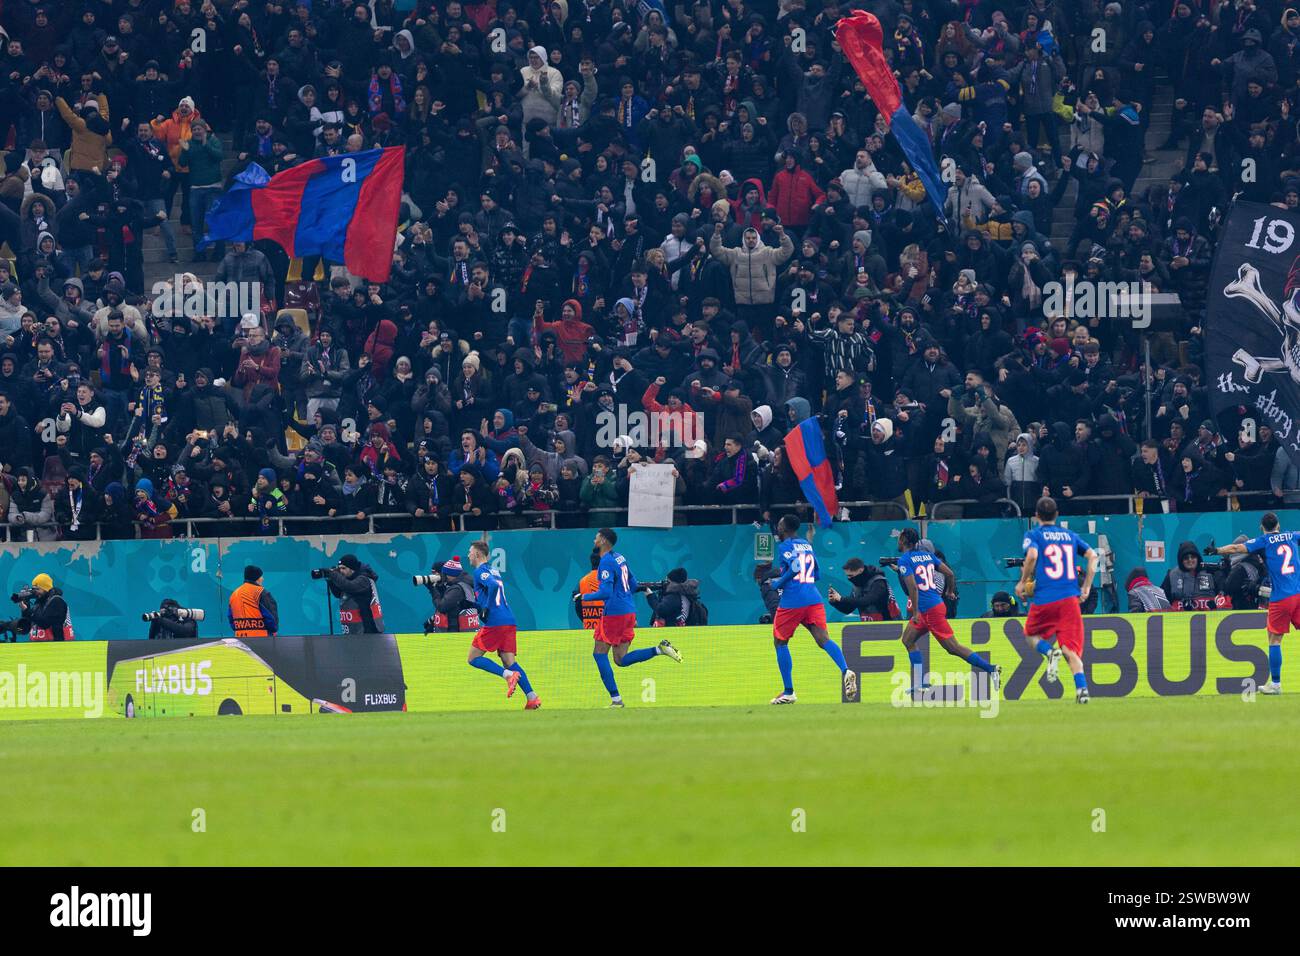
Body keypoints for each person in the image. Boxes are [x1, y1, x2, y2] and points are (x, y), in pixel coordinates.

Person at [581, 527, 682, 707]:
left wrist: (584, 597)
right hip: (629, 611)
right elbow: (633, 584)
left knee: (599, 654)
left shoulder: (605, 562)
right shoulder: (620, 558)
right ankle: (659, 650)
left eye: (596, 537)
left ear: (603, 540)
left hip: (614, 613)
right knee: (620, 659)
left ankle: (616, 700)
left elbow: (605, 592)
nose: (593, 540)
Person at [892, 527, 1000, 696]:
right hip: (933, 605)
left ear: (904, 540)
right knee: (907, 640)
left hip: (927, 611)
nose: (897, 541)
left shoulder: (904, 560)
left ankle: (991, 669)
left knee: (953, 648)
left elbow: (912, 586)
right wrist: (949, 592)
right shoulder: (928, 556)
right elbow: (950, 573)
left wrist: (914, 613)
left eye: (899, 538)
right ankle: (921, 683)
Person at [1015, 496, 1099, 704]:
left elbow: (1032, 555)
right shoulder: (1070, 535)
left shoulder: (1034, 534)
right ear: (1057, 515)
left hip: (1045, 597)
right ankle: (1082, 691)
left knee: (1030, 635)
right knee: (1071, 648)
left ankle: (1049, 652)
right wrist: (1086, 586)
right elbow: (1093, 556)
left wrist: (1022, 582)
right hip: (1070, 599)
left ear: (1036, 516)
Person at [767, 514, 857, 705]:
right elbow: (816, 573)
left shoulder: (785, 546)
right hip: (813, 598)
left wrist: (778, 583)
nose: (778, 526)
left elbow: (796, 566)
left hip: (793, 600)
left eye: (780, 524)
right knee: (823, 639)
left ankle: (789, 691)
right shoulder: (806, 545)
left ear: (785, 528)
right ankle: (846, 670)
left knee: (780, 642)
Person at [1210, 512, 1300, 695]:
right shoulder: (1292, 535)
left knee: (1274, 639)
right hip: (1298, 594)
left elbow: (1236, 549)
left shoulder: (1264, 541)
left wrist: (1217, 550)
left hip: (1281, 597)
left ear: (1262, 527)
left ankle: (1275, 684)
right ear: (1278, 525)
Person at [466, 540, 541, 709]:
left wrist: (485, 607)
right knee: (509, 661)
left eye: (470, 552)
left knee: (473, 658)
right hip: (509, 619)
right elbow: (492, 588)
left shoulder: (479, 571)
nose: (468, 555)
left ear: (478, 554)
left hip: (495, 621)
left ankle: (507, 676)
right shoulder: (494, 570)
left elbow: (491, 587)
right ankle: (532, 697)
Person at [325, 554, 385, 634]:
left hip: (368, 630)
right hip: (353, 631)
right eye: (339, 569)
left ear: (352, 568)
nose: (341, 571)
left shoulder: (363, 580)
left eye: (343, 568)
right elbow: (338, 594)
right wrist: (331, 581)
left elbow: (349, 587)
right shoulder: (349, 579)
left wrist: (333, 574)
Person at [421, 556, 480, 634]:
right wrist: (433, 621)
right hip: (464, 631)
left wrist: (432, 589)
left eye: (443, 574)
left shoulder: (457, 589)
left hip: (454, 633)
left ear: (449, 574)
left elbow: (442, 607)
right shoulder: (465, 583)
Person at [17, 573, 74, 641]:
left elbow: (44, 623)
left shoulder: (57, 601)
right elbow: (28, 624)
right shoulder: (39, 602)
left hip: (57, 646)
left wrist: (27, 610)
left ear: (46, 589)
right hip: (39, 645)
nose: (35, 592)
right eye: (33, 589)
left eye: (37, 589)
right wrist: (25, 607)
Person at [228, 565, 278, 637]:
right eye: (261, 576)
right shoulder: (261, 592)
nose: (263, 579)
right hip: (262, 639)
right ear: (256, 578)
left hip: (240, 638)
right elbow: (271, 618)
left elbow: (230, 617)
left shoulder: (235, 593)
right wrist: (273, 629)